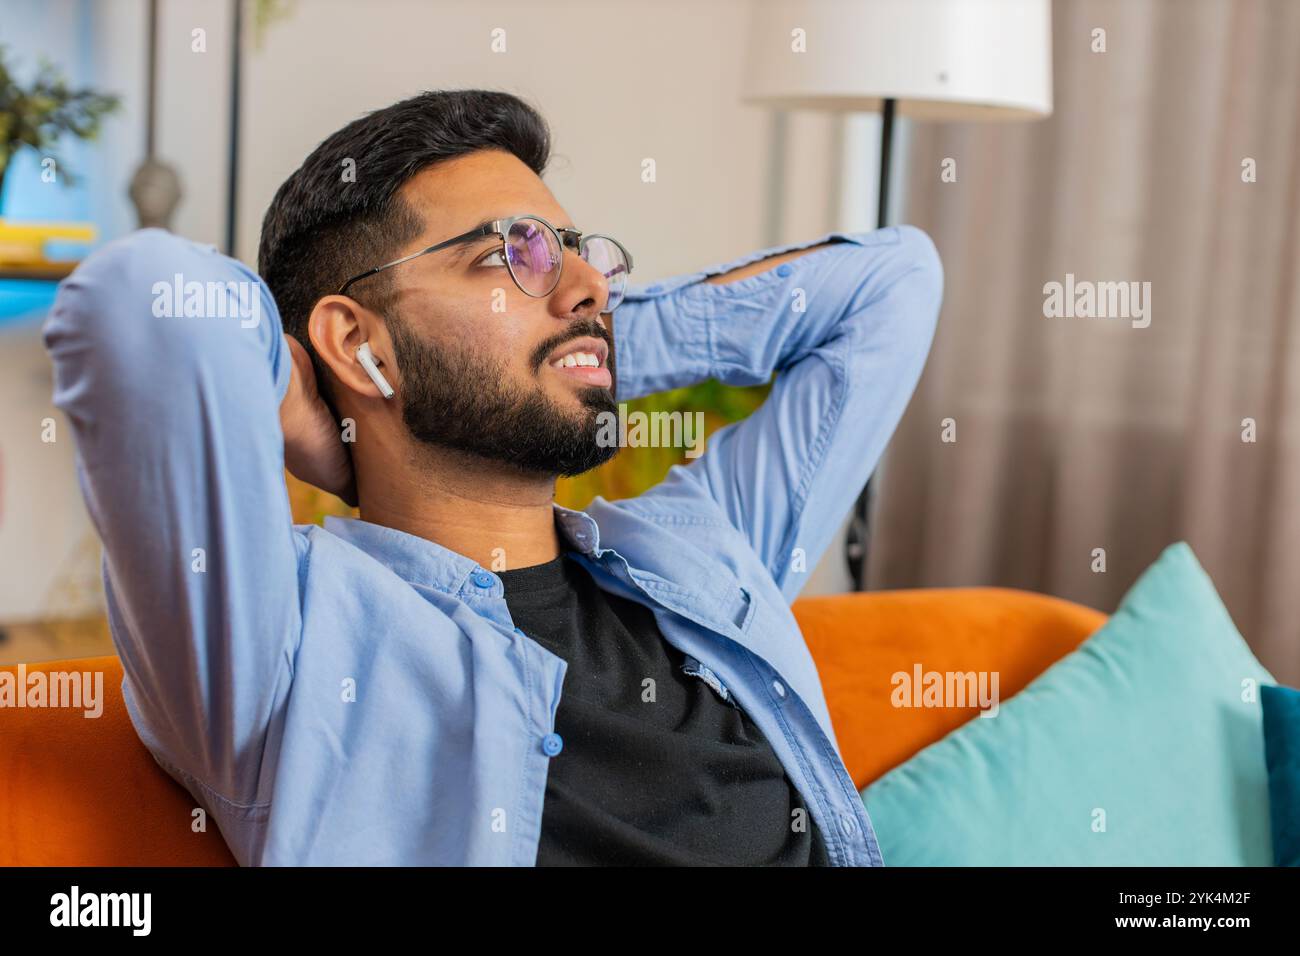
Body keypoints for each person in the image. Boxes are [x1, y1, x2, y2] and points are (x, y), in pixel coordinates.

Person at [44, 89, 942, 865]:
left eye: (575, 250)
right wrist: (310, 398)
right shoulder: (290, 640)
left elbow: (893, 283)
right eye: (510, 253)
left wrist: (587, 344)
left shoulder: (703, 550)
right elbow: (139, 301)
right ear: (356, 339)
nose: (592, 283)